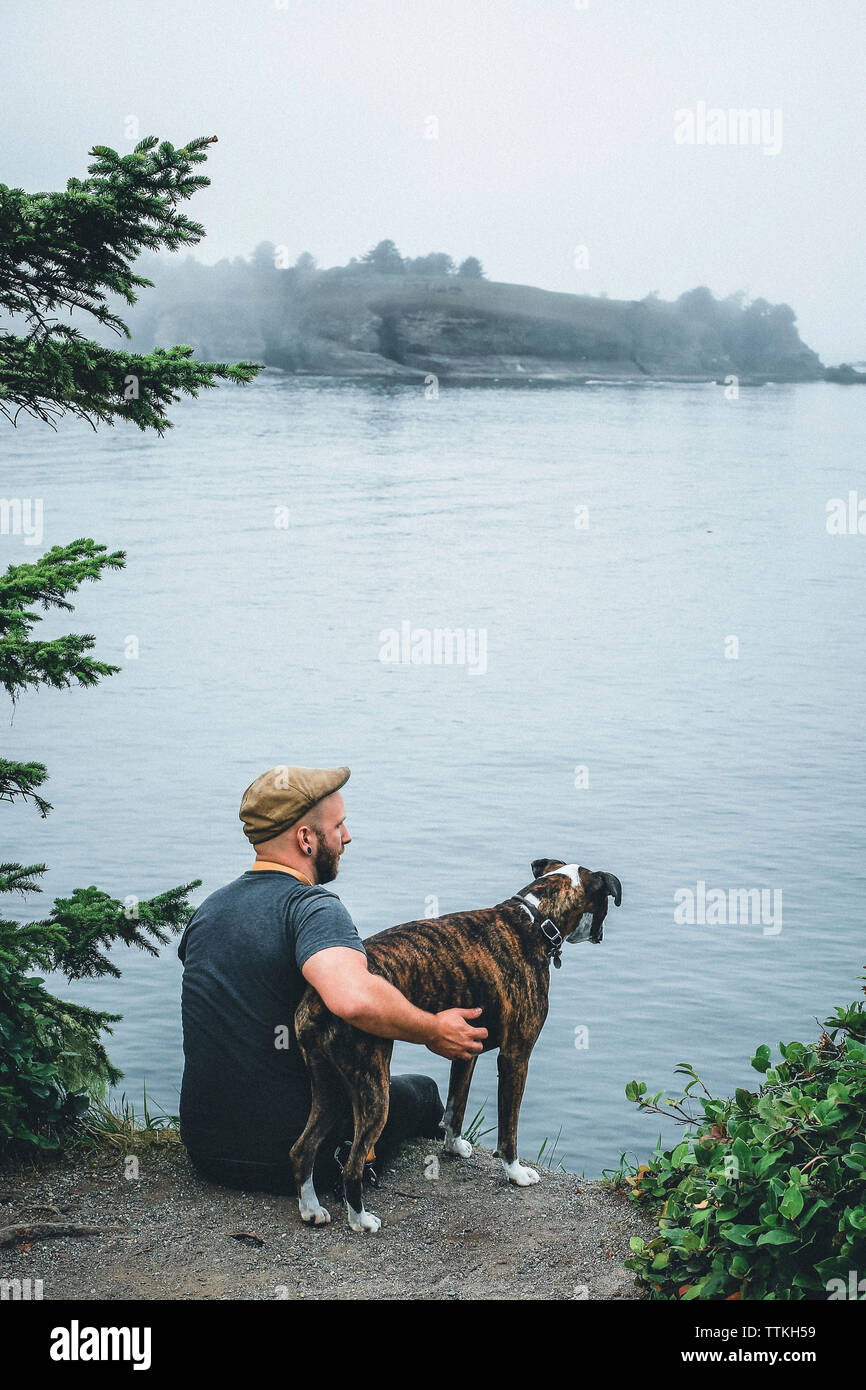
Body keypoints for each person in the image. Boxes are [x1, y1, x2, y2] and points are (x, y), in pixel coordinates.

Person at [178, 763, 487, 1195]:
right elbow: (353, 998)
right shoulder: (312, 908)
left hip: (206, 1151)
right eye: (338, 825)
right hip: (292, 1158)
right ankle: (364, 1163)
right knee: (423, 1092)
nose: (347, 836)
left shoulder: (208, 910)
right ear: (306, 838)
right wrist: (432, 1029)